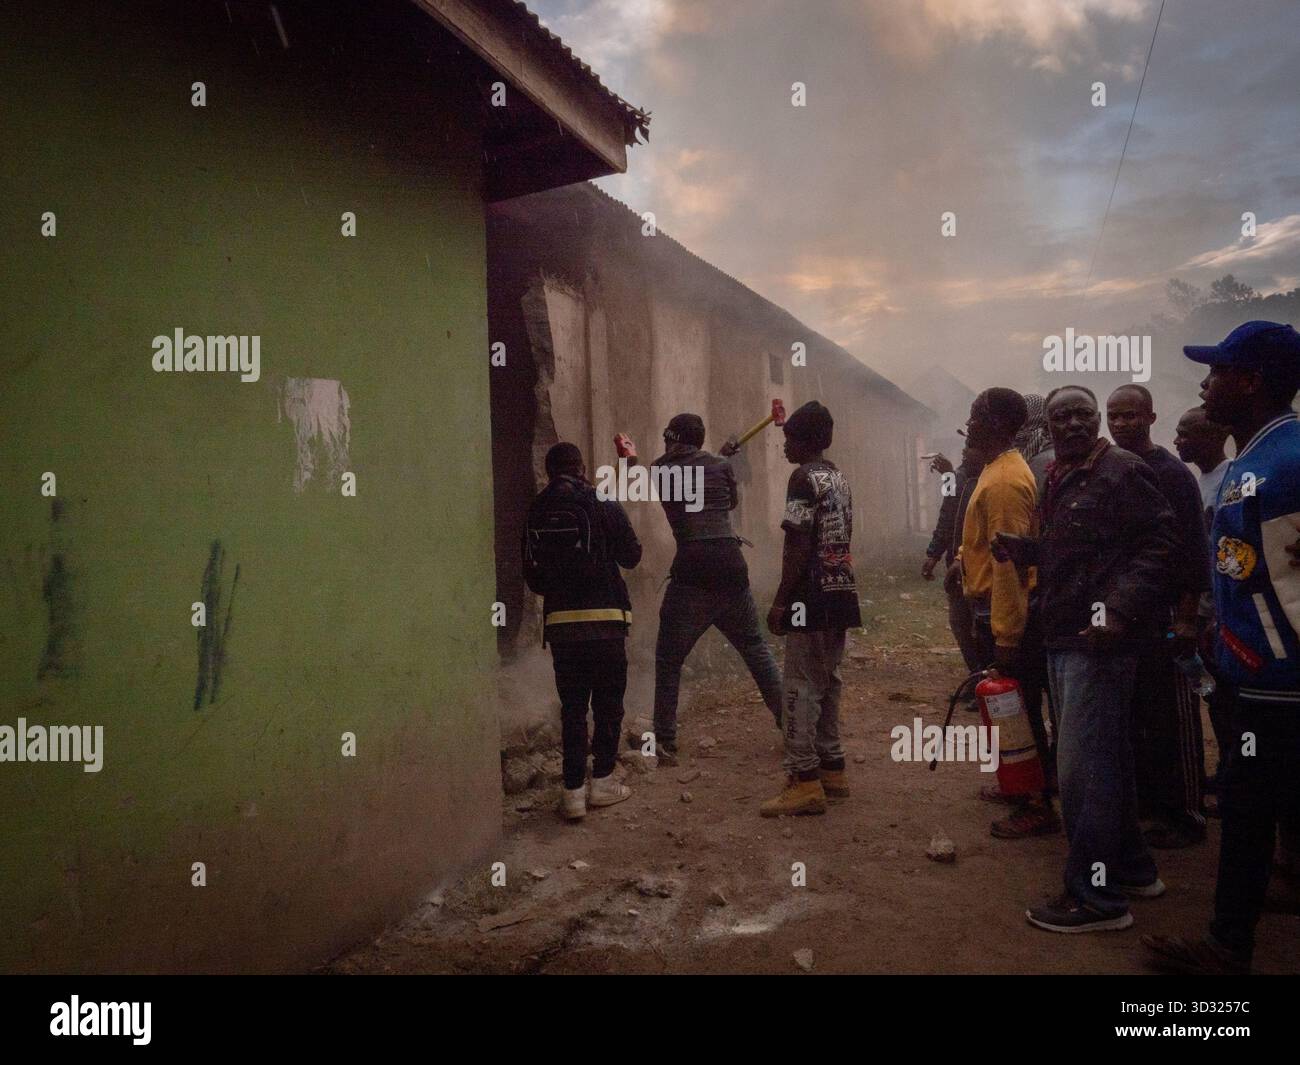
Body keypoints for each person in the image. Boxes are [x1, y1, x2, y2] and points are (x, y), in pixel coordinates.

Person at [1143, 321, 1300, 974]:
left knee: (1245, 806)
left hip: (1282, 682)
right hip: (1252, 675)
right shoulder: (1254, 458)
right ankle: (1247, 919)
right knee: (1253, 803)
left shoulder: (1287, 458)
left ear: (1249, 381)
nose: (1204, 384)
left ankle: (1227, 945)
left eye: (1215, 372)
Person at [995, 385, 1176, 933]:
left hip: (1098, 641)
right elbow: (1076, 550)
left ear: (1095, 419)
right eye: (1060, 417)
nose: (1072, 424)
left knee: (1082, 772)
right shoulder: (1062, 473)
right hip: (1065, 636)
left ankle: (1096, 900)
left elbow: (1162, 544)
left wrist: (1116, 611)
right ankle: (1133, 870)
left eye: (1082, 414)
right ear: (1047, 426)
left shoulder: (1121, 471)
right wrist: (1024, 549)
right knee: (1107, 762)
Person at [1107, 385, 1211, 849]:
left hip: (1168, 609)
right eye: (1114, 416)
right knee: (1137, 716)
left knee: (1176, 716)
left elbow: (1193, 553)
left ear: (1151, 417)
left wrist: (1187, 619)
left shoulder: (1172, 475)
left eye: (1131, 415)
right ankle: (1151, 806)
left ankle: (1188, 813)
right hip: (1128, 614)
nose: (1122, 423)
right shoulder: (1109, 469)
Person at [650, 413, 783, 765]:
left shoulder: (660, 469)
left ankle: (664, 741)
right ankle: (793, 725)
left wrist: (628, 456)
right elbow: (726, 501)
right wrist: (722, 458)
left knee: (668, 660)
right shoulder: (722, 466)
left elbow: (671, 480)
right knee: (755, 649)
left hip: (693, 569)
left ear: (672, 438)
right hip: (729, 564)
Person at [522, 442, 642, 820]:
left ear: (549, 470)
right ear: (581, 467)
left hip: (563, 628)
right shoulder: (601, 500)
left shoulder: (536, 509)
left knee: (573, 709)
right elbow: (632, 555)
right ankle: (603, 781)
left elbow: (534, 578)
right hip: (606, 623)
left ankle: (573, 792)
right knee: (608, 704)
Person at [961, 388, 1058, 837]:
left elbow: (1010, 564)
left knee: (1019, 709)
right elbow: (986, 544)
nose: (970, 423)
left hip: (1005, 615)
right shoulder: (996, 470)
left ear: (995, 424)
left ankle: (1036, 803)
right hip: (989, 608)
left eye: (976, 416)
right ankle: (1019, 787)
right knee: (1010, 708)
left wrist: (1006, 633)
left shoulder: (1004, 480)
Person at [761, 401, 862, 817]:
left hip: (810, 595)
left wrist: (782, 599)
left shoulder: (801, 478)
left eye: (788, 440)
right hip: (841, 591)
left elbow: (797, 542)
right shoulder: (837, 477)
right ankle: (831, 769)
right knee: (828, 679)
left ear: (803, 442)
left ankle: (804, 781)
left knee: (800, 686)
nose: (784, 447)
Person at [1173, 405, 1234, 789]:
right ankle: (1228, 771)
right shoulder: (1199, 481)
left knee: (1227, 700)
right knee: (1213, 696)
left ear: (1212, 437)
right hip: (1204, 610)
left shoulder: (1228, 480)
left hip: (1218, 613)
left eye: (1185, 433)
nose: (1177, 440)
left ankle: (1234, 776)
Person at [921, 444, 987, 677]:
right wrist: (933, 553)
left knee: (979, 627)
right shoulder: (959, 476)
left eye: (972, 446)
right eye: (965, 446)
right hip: (956, 565)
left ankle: (985, 679)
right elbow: (947, 513)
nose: (965, 451)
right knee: (960, 623)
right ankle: (976, 677)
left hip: (981, 567)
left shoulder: (989, 479)